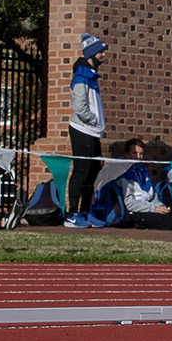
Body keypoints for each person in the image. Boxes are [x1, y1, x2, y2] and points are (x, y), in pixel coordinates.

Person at [62, 32, 108, 229]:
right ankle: (72, 214)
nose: (103, 55)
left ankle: (85, 211)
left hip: (92, 132)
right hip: (82, 130)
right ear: (91, 54)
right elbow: (79, 106)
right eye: (100, 52)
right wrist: (93, 120)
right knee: (81, 171)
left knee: (93, 171)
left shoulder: (90, 74)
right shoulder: (81, 74)